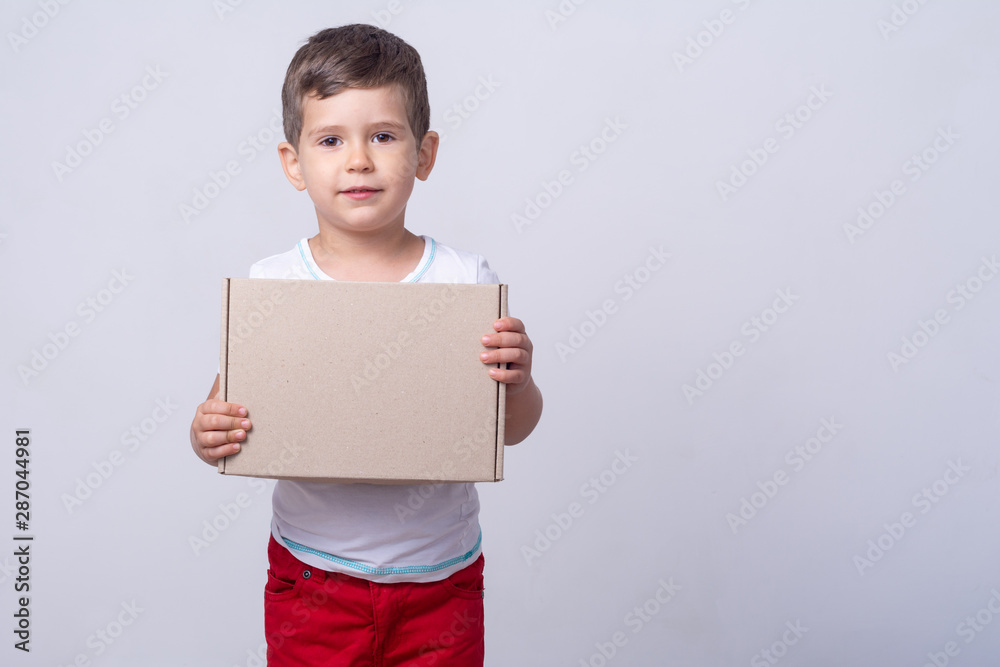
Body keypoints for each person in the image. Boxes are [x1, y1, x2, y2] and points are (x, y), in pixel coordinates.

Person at [189, 24, 543, 666]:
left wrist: (517, 382)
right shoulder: (275, 285)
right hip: (312, 579)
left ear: (425, 154)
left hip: (442, 578)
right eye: (330, 140)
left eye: (383, 136)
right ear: (294, 164)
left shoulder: (466, 281)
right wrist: (206, 431)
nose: (358, 160)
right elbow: (222, 416)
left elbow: (510, 430)